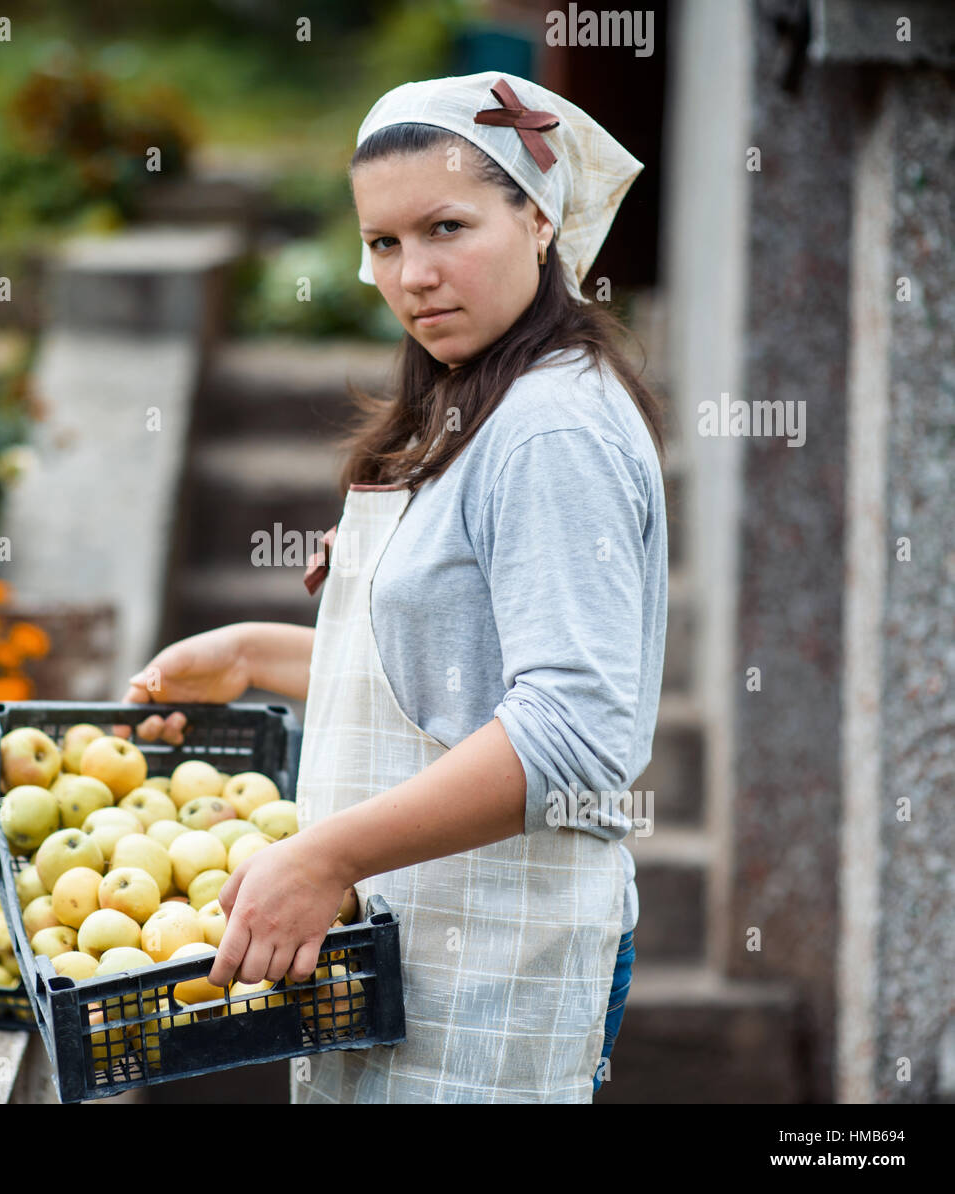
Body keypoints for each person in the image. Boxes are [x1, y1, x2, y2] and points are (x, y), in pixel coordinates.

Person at [116, 71, 667, 1103]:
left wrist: (326, 857)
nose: (414, 274)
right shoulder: (474, 406)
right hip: (411, 959)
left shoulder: (551, 429)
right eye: (383, 244)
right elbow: (450, 681)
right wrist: (251, 654)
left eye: (447, 226)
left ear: (538, 220)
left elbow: (574, 729)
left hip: (493, 970)